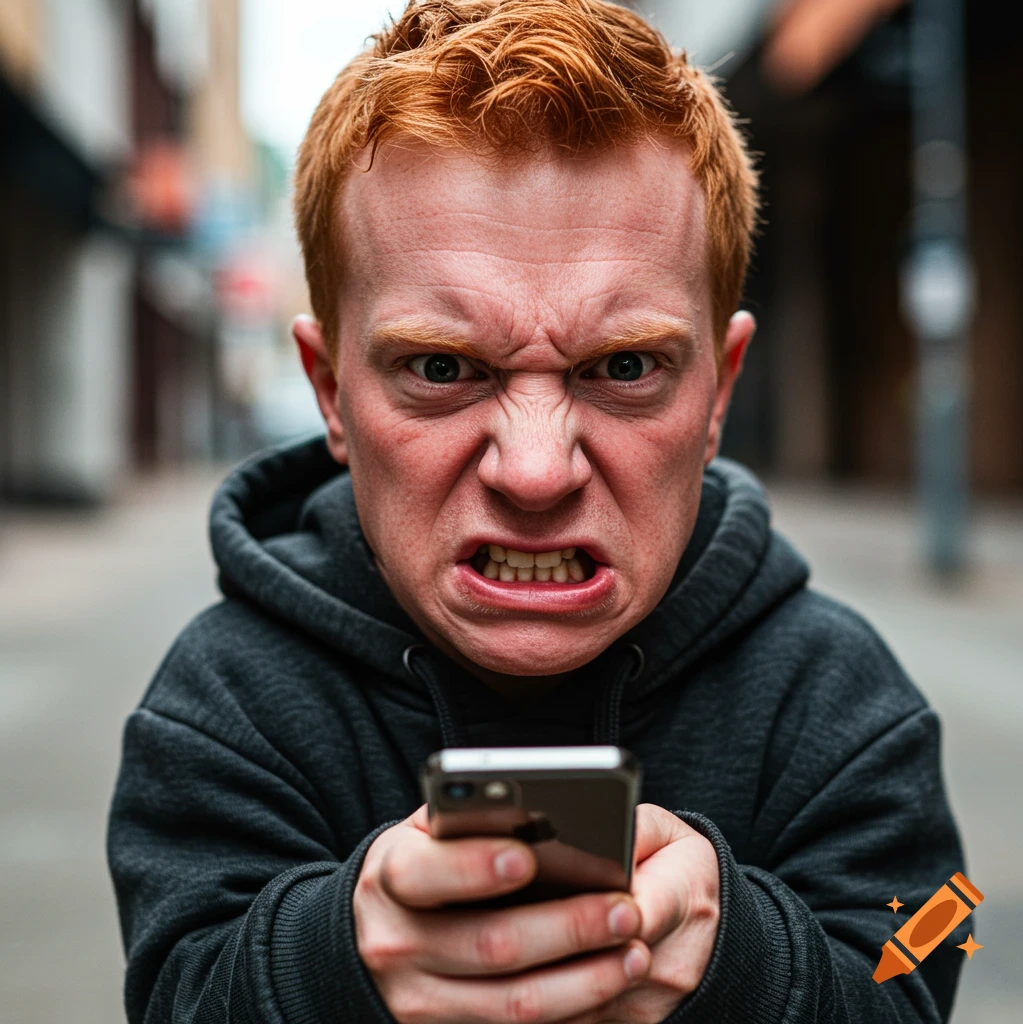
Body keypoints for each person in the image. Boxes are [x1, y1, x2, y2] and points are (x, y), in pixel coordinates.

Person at [107, 1, 967, 1022]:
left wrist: (746, 955)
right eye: (440, 367)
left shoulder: (852, 703)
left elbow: (940, 930)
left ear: (718, 394)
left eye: (623, 366)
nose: (533, 470)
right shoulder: (220, 707)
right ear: (331, 391)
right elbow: (177, 994)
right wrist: (334, 953)